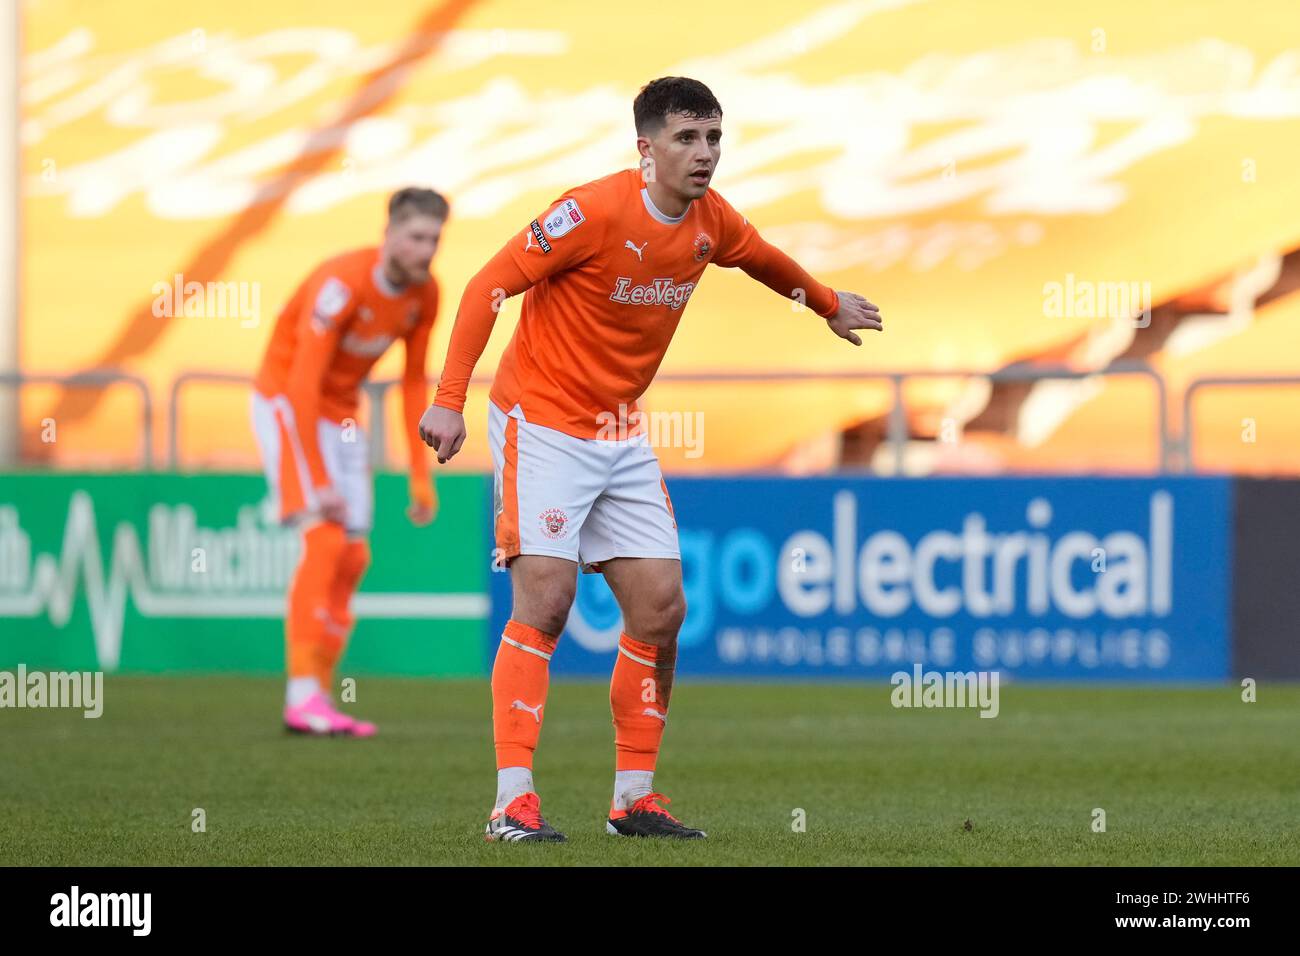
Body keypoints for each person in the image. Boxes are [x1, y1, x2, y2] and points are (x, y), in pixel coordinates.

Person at [419, 78, 882, 840]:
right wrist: (449, 397)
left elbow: (760, 257)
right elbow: (486, 286)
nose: (704, 155)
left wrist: (827, 304)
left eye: (713, 140)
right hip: (542, 423)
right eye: (686, 140)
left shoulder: (710, 220)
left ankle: (633, 797)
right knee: (546, 601)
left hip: (619, 431)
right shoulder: (591, 211)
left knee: (662, 608)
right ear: (647, 149)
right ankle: (512, 801)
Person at [252, 187, 447, 736]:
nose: (425, 249)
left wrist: (419, 473)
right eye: (414, 237)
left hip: (339, 413)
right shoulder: (340, 286)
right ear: (387, 234)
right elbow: (301, 384)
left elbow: (412, 382)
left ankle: (314, 695)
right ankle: (300, 695)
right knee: (324, 539)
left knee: (354, 556)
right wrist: (317, 479)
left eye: (433, 239)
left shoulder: (424, 295)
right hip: (285, 402)